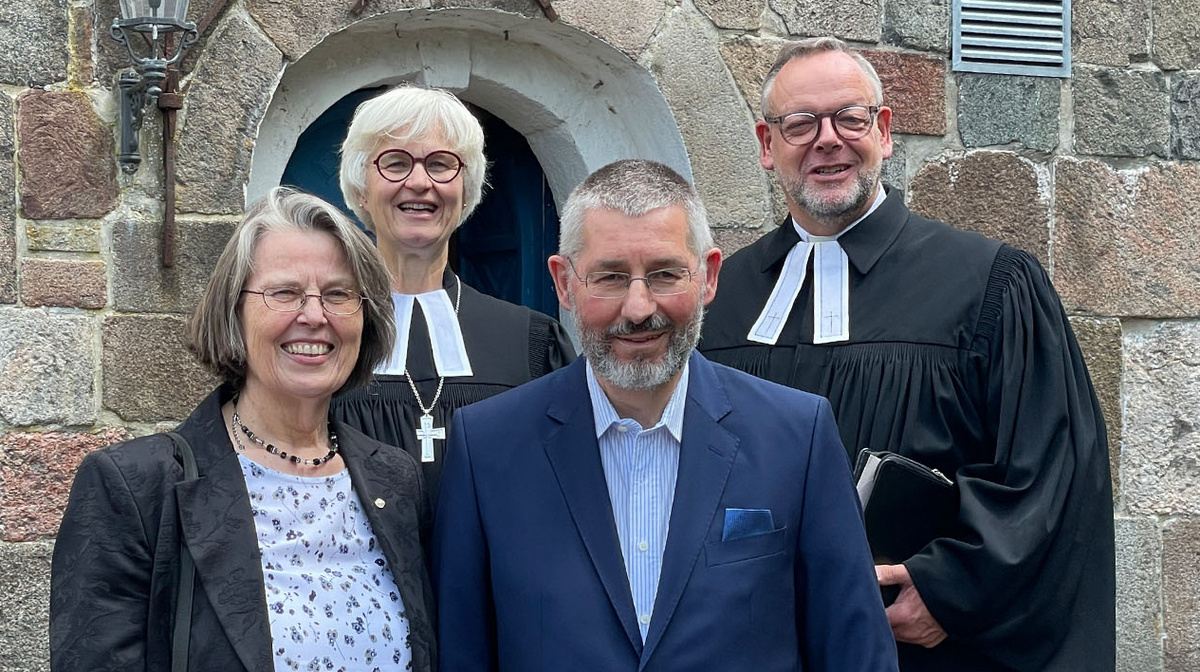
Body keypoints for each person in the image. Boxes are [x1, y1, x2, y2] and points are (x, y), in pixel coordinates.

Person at [699, 37, 1115, 671]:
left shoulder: (987, 283)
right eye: (801, 123)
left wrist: (948, 590)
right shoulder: (718, 300)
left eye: (850, 117)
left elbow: (1049, 471)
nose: (827, 139)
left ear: (884, 131)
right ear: (766, 145)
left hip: (921, 650)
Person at [433, 159, 897, 671]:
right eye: (609, 277)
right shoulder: (486, 446)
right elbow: (462, 654)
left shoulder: (796, 435)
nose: (638, 308)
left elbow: (856, 653)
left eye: (665, 274)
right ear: (564, 284)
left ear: (709, 276)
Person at [50, 188, 435, 671]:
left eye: (337, 294)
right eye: (285, 292)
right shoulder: (136, 487)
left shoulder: (394, 480)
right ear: (234, 311)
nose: (314, 316)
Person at [332, 85, 575, 495]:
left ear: (466, 191)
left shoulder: (529, 341)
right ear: (360, 188)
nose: (420, 182)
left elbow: (566, 483)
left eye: (442, 165)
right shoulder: (323, 332)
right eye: (395, 163)